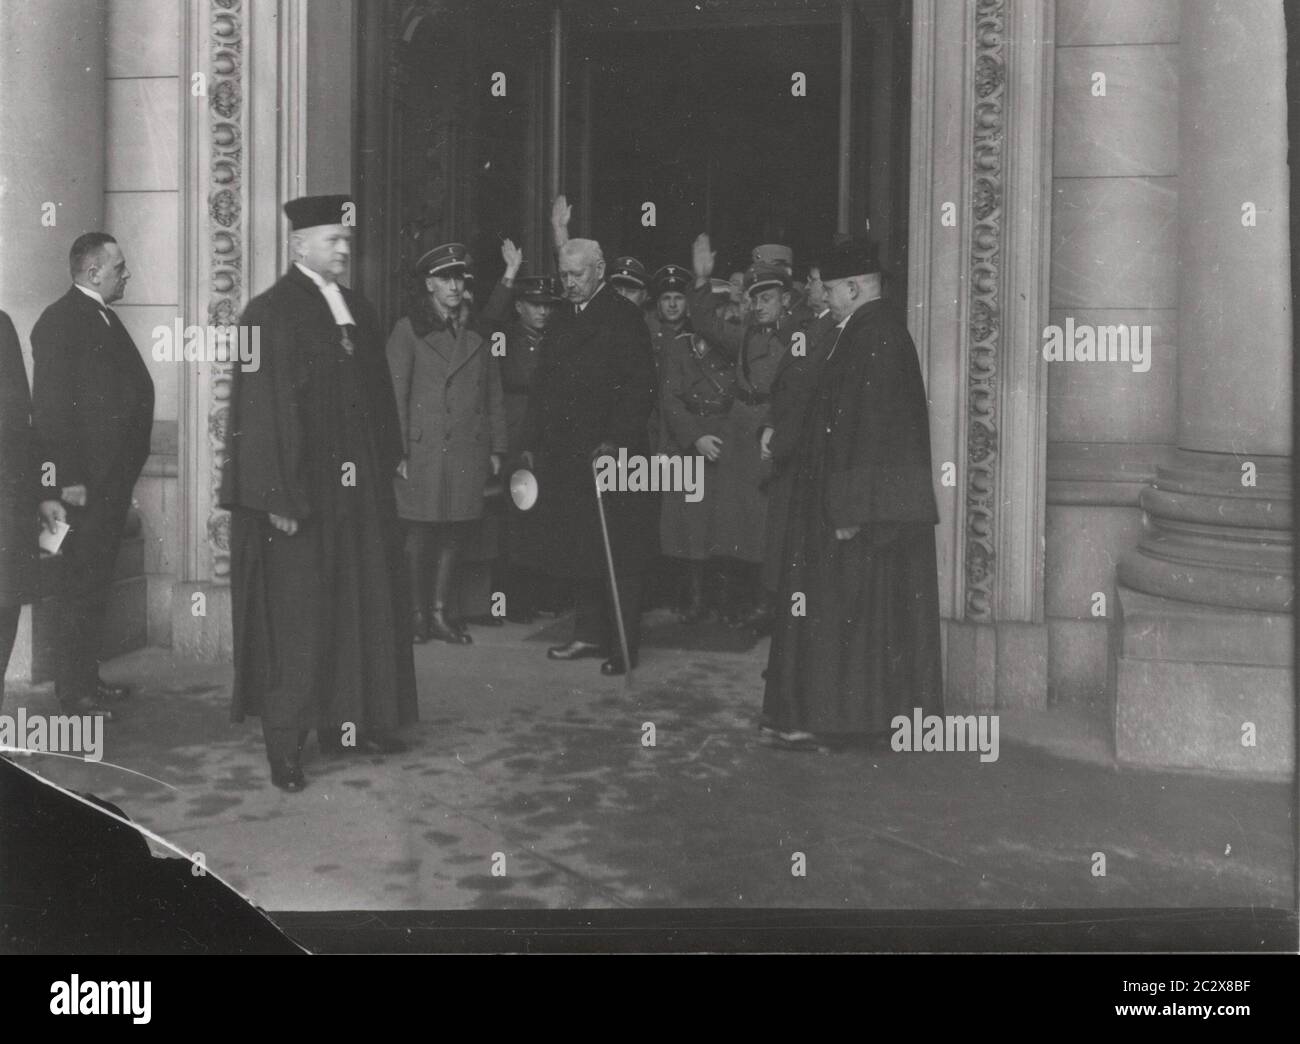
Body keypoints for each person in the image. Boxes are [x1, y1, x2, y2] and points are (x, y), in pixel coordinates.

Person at [219, 194, 416, 791]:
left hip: (358, 497)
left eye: (347, 241)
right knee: (299, 618)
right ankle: (286, 747)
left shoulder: (356, 307)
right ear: (299, 244)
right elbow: (259, 412)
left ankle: (352, 723)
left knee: (361, 603)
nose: (344, 249)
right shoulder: (267, 313)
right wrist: (276, 496)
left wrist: (392, 458)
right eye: (333, 240)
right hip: (300, 499)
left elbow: (377, 393)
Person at [761, 239, 943, 749]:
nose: (825, 296)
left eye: (833, 288)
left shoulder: (876, 337)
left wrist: (852, 511)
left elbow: (876, 434)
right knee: (850, 620)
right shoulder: (865, 332)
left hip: (856, 515)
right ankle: (834, 718)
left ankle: (838, 722)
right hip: (847, 506)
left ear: (855, 287)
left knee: (853, 618)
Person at [30, 233, 155, 719]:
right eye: (119, 266)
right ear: (92, 271)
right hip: (80, 489)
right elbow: (53, 413)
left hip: (106, 486)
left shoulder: (102, 316)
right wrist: (68, 480)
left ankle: (87, 678)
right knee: (76, 587)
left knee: (94, 585)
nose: (127, 273)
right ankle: (72, 691)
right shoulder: (60, 322)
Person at [518, 238, 657, 676]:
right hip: (566, 454)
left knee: (618, 551)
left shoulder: (624, 316)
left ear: (599, 270)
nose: (569, 283)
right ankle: (586, 634)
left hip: (610, 453)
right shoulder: (561, 320)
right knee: (580, 546)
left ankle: (622, 646)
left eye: (577, 274)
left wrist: (617, 439)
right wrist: (531, 441)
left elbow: (641, 387)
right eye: (564, 274)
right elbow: (542, 388)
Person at [686, 233, 807, 629]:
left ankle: (768, 604)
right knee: (733, 521)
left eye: (768, 298)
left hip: (769, 429)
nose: (759, 305)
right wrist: (703, 280)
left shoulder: (798, 338)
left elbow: (796, 391)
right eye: (755, 298)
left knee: (765, 522)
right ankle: (737, 603)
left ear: (786, 299)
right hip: (740, 425)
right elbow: (703, 320)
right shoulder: (746, 335)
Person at [388, 240, 507, 644]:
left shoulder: (476, 330)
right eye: (444, 278)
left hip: (465, 450)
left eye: (459, 277)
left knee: (454, 532)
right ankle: (416, 616)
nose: (454, 286)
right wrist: (397, 450)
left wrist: (496, 447)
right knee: (420, 534)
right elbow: (394, 394)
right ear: (429, 285)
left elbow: (493, 393)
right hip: (422, 450)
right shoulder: (408, 331)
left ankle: (440, 614)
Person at [758, 262, 837, 605]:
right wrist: (772, 424)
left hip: (803, 451)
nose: (810, 287)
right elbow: (789, 381)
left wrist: (781, 438)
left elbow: (805, 392)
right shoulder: (807, 326)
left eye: (816, 281)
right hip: (789, 446)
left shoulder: (835, 330)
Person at [0, 310, 67, 696]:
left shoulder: (1, 325)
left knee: (4, 607)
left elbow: (22, 418)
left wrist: (44, 490)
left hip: (5, 502)